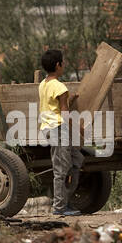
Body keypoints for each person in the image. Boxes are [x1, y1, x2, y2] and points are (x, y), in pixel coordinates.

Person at [39, 47, 82, 216]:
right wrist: (78, 127)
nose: (63, 65)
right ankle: (59, 207)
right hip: (57, 129)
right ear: (58, 65)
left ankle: (65, 201)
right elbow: (64, 113)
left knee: (76, 160)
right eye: (62, 63)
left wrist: (70, 99)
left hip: (49, 128)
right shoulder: (60, 87)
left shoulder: (44, 84)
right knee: (61, 169)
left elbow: (55, 105)